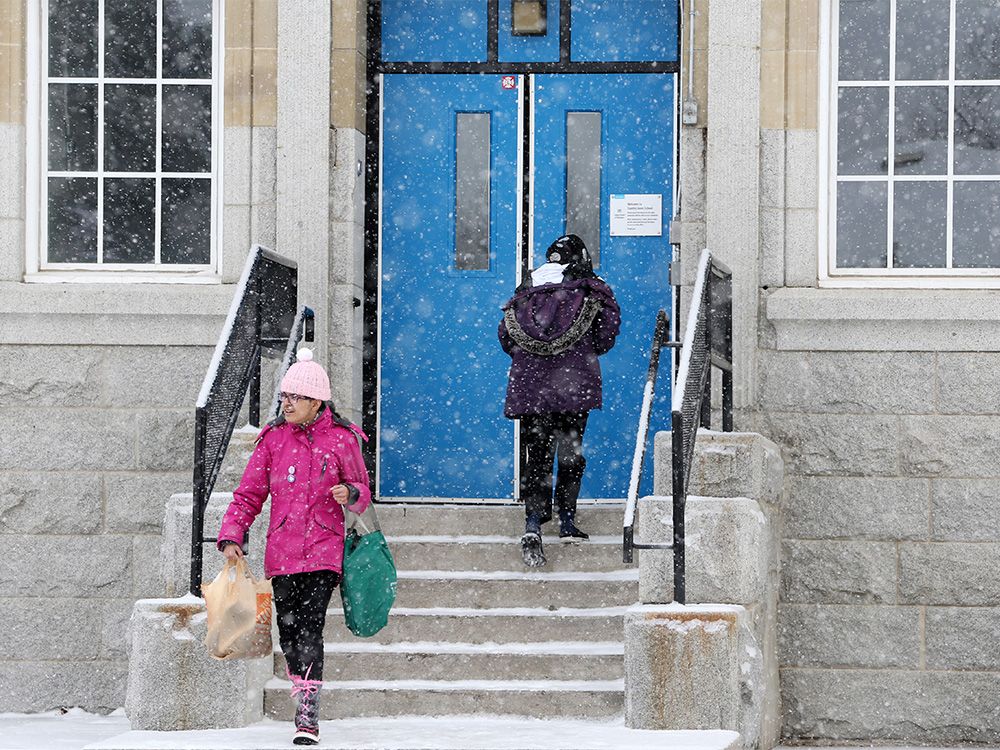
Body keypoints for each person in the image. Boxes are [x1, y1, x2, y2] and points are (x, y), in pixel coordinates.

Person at [217, 348, 371, 746]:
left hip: (323, 550)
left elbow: (363, 493)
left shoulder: (342, 439)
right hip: (282, 550)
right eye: (283, 397)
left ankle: (307, 709)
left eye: (294, 398)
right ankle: (301, 687)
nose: (285, 404)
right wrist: (233, 533)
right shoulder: (273, 441)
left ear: (316, 401)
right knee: (288, 633)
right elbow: (249, 493)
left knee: (310, 628)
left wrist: (349, 492)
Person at [498, 234, 621, 567]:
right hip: (572, 385)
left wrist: (534, 360)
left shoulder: (526, 290)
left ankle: (533, 523)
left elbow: (505, 338)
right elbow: (606, 334)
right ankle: (567, 521)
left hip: (531, 387)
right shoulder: (591, 290)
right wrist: (578, 351)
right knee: (570, 451)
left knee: (536, 455)